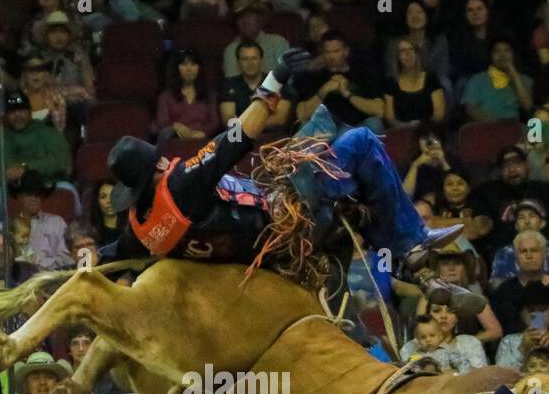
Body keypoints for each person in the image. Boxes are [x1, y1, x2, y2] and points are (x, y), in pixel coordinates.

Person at [102, 48, 476, 291]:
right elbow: (239, 135)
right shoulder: (183, 183)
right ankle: (410, 244)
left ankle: (404, 253)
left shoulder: (142, 231)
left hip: (257, 246)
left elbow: (108, 255)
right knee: (361, 140)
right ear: (156, 170)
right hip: (286, 221)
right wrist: (274, 78)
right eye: (159, 160)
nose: (167, 160)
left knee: (324, 119)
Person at [0, 92, 72, 220]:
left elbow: (60, 163)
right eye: (13, 112)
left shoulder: (48, 132)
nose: (17, 115)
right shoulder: (0, 138)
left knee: (68, 189)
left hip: (45, 186)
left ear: (30, 112)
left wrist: (25, 169)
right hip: (13, 191)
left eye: (21, 110)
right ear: (6, 116)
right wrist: (11, 178)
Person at [293, 31, 384, 133]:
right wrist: (323, 91)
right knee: (306, 125)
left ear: (346, 51)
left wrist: (347, 94)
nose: (331, 57)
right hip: (325, 130)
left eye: (336, 51)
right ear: (322, 53)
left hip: (355, 129)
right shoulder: (313, 77)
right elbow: (302, 115)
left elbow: (379, 110)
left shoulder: (361, 74)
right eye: (328, 52)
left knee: (375, 123)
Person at [155, 48, 220, 144]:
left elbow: (215, 122)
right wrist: (173, 127)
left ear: (199, 68)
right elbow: (161, 124)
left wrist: (203, 133)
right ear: (177, 68)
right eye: (184, 64)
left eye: (193, 64)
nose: (189, 68)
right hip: (175, 143)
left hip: (203, 143)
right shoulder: (165, 96)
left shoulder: (210, 95)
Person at [460, 38, 533, 122]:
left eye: (507, 50)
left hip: (514, 128)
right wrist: (495, 124)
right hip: (485, 127)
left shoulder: (525, 80)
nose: (502, 55)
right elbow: (470, 109)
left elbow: (527, 105)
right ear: (491, 56)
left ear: (514, 54)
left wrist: (513, 73)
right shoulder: (477, 79)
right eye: (497, 51)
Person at [223, 0, 289, 78]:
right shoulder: (231, 50)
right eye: (240, 17)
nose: (244, 21)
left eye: (249, 16)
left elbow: (286, 77)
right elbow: (233, 82)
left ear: (260, 20)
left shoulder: (277, 42)